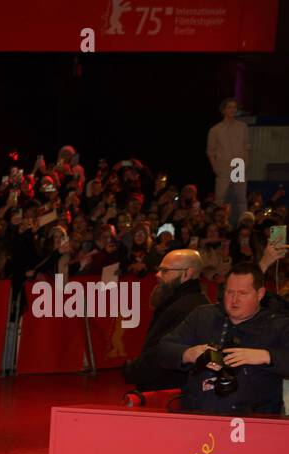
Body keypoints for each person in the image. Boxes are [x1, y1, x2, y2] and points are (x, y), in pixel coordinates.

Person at [157, 262, 289, 414]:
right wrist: (189, 354)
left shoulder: (277, 324)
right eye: (230, 292)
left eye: (243, 293)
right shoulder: (203, 316)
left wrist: (267, 356)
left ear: (260, 294)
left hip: (255, 421)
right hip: (199, 415)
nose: (235, 300)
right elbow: (163, 349)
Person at [123, 249, 209, 393]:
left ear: (187, 273)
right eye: (159, 270)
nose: (157, 275)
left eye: (165, 271)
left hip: (166, 393)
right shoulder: (183, 301)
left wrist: (131, 370)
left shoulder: (185, 307)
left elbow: (161, 352)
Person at [207, 98, 250, 221]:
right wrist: (215, 167)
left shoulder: (242, 127)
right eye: (229, 107)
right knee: (220, 199)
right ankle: (219, 225)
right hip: (223, 166)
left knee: (241, 198)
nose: (232, 110)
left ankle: (243, 224)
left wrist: (246, 163)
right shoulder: (215, 130)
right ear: (223, 110)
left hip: (239, 166)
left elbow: (246, 147)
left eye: (234, 107)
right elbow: (210, 151)